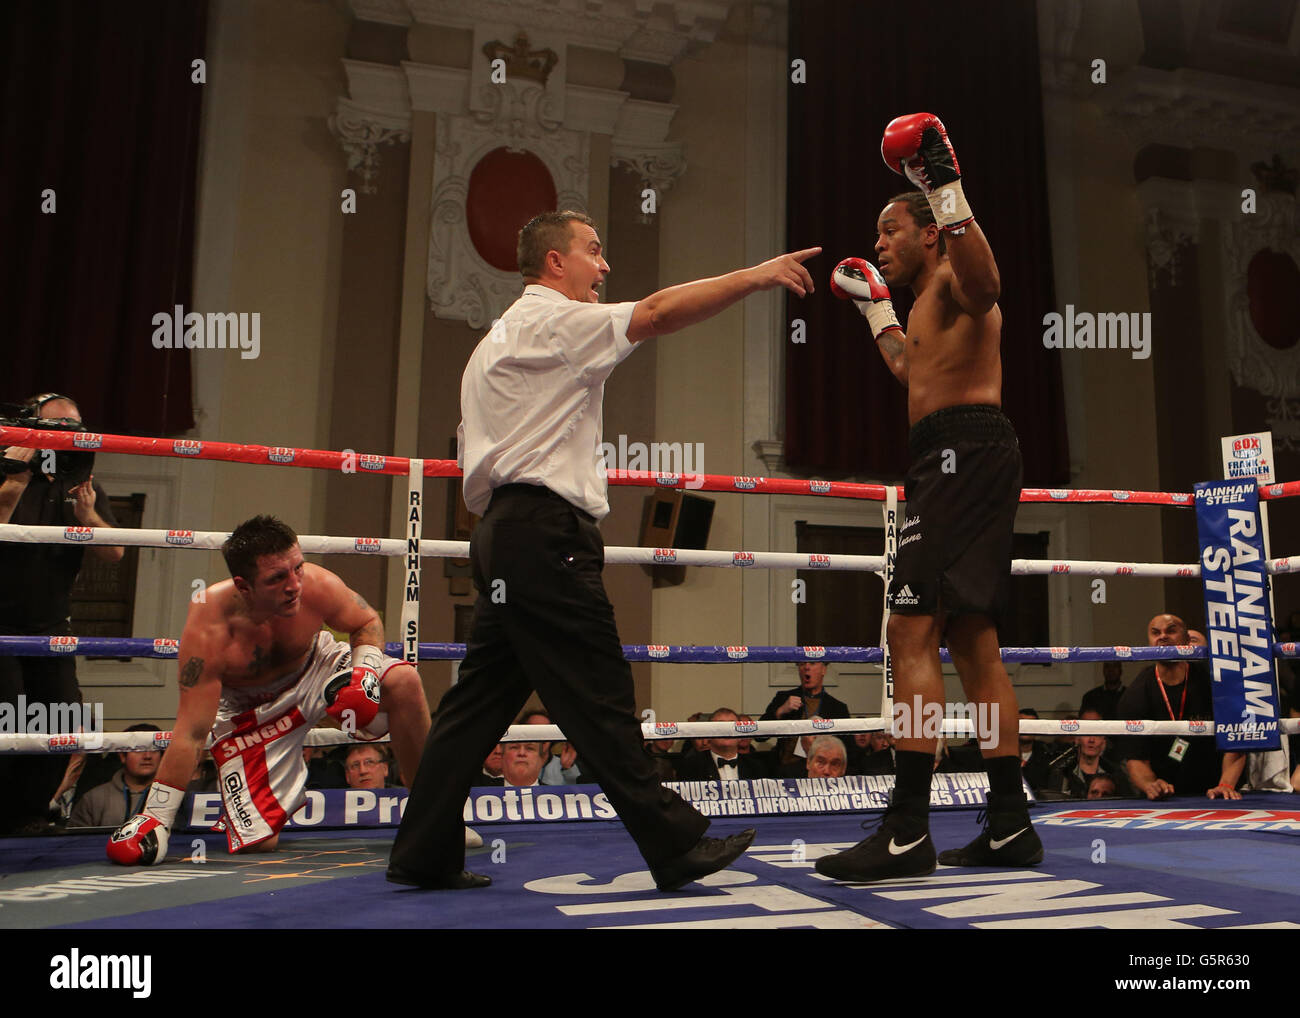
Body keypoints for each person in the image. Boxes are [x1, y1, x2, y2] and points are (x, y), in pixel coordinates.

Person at [389, 211, 818, 891]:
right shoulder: (554, 322)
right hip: (542, 536)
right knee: (601, 694)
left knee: (476, 707)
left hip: (503, 536)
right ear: (554, 261)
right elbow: (655, 313)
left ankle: (421, 851)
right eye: (594, 251)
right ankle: (672, 843)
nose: (605, 265)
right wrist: (756, 277)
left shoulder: (497, 339)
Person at [818, 113, 1041, 882]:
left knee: (906, 631)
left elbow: (989, 284)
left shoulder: (954, 273)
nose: (879, 244)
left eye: (889, 232)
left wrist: (945, 181)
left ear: (929, 232)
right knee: (972, 641)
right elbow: (911, 374)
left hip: (962, 453)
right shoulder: (920, 300)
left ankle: (909, 826)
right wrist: (875, 307)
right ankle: (1011, 824)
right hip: (956, 453)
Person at [104, 515, 466, 864]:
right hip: (252, 712)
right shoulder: (209, 629)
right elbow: (193, 731)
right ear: (244, 586)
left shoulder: (316, 585)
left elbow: (367, 619)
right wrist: (156, 816)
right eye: (277, 578)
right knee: (259, 844)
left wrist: (365, 674)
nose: (294, 584)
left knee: (402, 680)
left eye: (298, 568)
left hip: (316, 666)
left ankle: (433, 817)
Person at [0, 393, 123, 835]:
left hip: (49, 624)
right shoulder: (7, 474)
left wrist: (87, 514)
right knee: (9, 716)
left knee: (60, 721)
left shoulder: (77, 481)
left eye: (73, 427)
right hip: (0, 626)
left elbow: (114, 551)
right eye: (55, 428)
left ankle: (28, 814)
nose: (66, 436)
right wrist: (16, 475)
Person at [1115, 613, 1226, 800]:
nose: (1163, 636)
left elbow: (1234, 737)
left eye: (1171, 631)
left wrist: (1226, 783)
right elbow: (1136, 757)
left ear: (1186, 640)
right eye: (1155, 632)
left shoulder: (1212, 683)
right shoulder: (1136, 694)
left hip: (1215, 790)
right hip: (1167, 793)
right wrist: (1150, 784)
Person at [760, 662, 851, 769]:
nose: (806, 667)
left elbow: (849, 752)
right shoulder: (783, 697)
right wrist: (780, 711)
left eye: (812, 663)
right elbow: (760, 737)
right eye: (802, 664)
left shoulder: (838, 708)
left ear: (824, 670)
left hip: (821, 774)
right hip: (785, 774)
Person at [68, 724, 161, 827]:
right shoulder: (94, 799)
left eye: (154, 749)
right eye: (139, 749)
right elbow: (76, 841)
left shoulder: (176, 797)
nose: (147, 756)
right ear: (122, 756)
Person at [675, 708, 767, 782]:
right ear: (709, 734)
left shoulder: (756, 767)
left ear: (741, 735)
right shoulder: (691, 766)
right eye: (721, 725)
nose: (726, 730)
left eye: (732, 725)